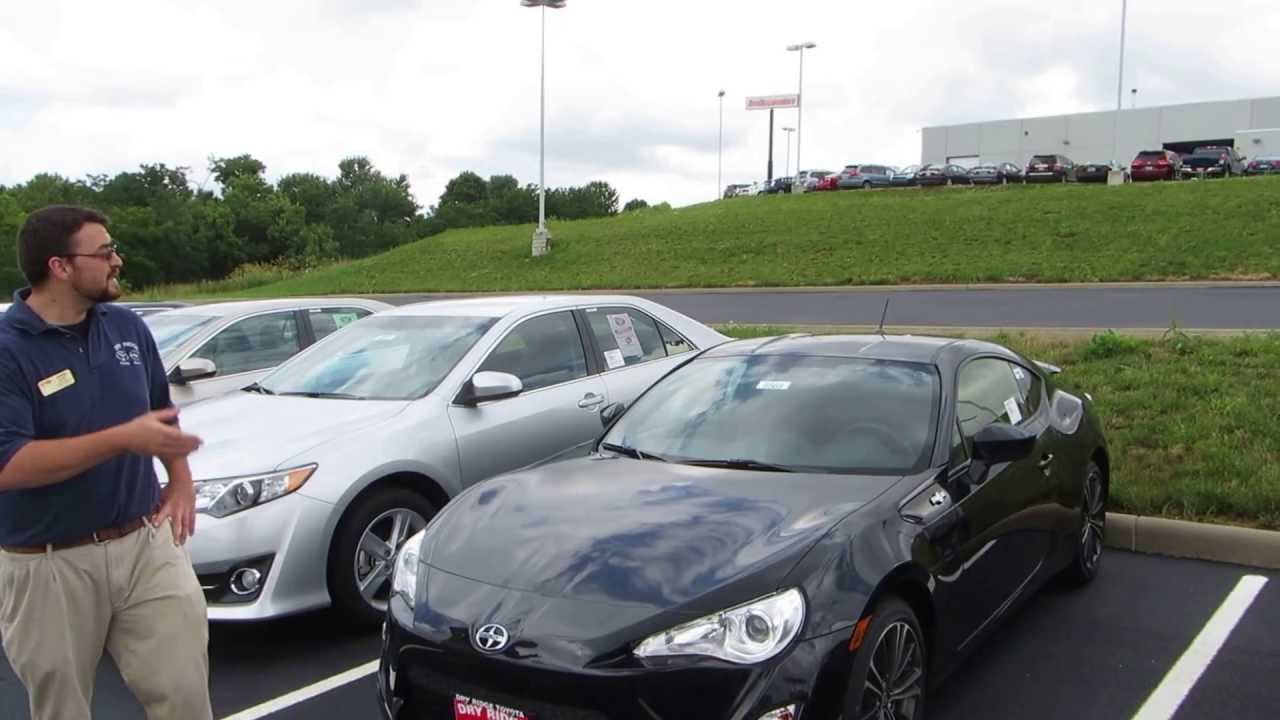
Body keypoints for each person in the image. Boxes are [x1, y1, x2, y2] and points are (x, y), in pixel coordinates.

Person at [0, 206, 212, 720]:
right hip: (48, 563)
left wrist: (180, 481)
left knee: (183, 692)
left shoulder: (126, 326)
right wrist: (121, 438)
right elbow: (11, 466)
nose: (118, 260)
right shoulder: (9, 351)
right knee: (62, 708)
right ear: (61, 266)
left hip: (144, 543)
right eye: (105, 252)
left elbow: (161, 415)